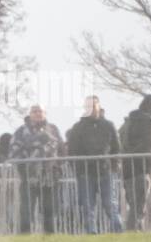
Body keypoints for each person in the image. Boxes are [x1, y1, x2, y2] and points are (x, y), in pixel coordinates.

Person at [65, 95, 122, 234]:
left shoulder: (109, 125)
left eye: (93, 105)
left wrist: (115, 165)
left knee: (110, 204)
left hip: (106, 171)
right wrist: (77, 169)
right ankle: (91, 232)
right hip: (85, 173)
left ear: (98, 106)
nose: (91, 108)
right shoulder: (78, 127)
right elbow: (72, 150)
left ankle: (118, 230)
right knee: (88, 205)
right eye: (88, 106)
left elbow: (116, 147)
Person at [9, 105, 64, 234]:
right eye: (35, 111)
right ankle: (25, 235)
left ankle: (50, 236)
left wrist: (58, 165)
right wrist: (24, 169)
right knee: (27, 210)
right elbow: (14, 152)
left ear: (45, 113)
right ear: (30, 114)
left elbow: (62, 149)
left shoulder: (53, 129)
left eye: (40, 111)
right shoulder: (21, 131)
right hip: (29, 178)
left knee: (49, 209)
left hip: (50, 177)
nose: (38, 114)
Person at [120, 93, 151, 231]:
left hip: (126, 168)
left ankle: (137, 231)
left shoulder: (127, 122)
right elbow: (146, 145)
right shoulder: (146, 121)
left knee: (133, 202)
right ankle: (131, 230)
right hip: (140, 167)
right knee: (139, 203)